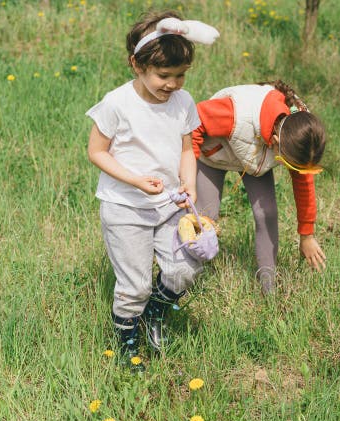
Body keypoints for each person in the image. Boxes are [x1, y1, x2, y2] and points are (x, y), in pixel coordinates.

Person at [86, 11, 219, 370]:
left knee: (184, 268)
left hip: (169, 205)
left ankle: (155, 313)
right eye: (164, 75)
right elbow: (96, 152)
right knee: (135, 285)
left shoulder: (183, 101)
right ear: (136, 65)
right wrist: (135, 180)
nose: (173, 84)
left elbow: (186, 149)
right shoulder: (117, 103)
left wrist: (188, 181)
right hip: (125, 207)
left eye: (180, 75)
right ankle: (126, 342)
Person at [192, 81, 327, 295]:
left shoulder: (299, 134)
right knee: (205, 220)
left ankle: (268, 289)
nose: (293, 171)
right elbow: (194, 119)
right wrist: (188, 172)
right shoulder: (236, 114)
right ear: (275, 141)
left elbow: (303, 184)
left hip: (253, 161)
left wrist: (307, 234)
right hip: (213, 154)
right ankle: (188, 280)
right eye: (290, 165)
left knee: (267, 214)